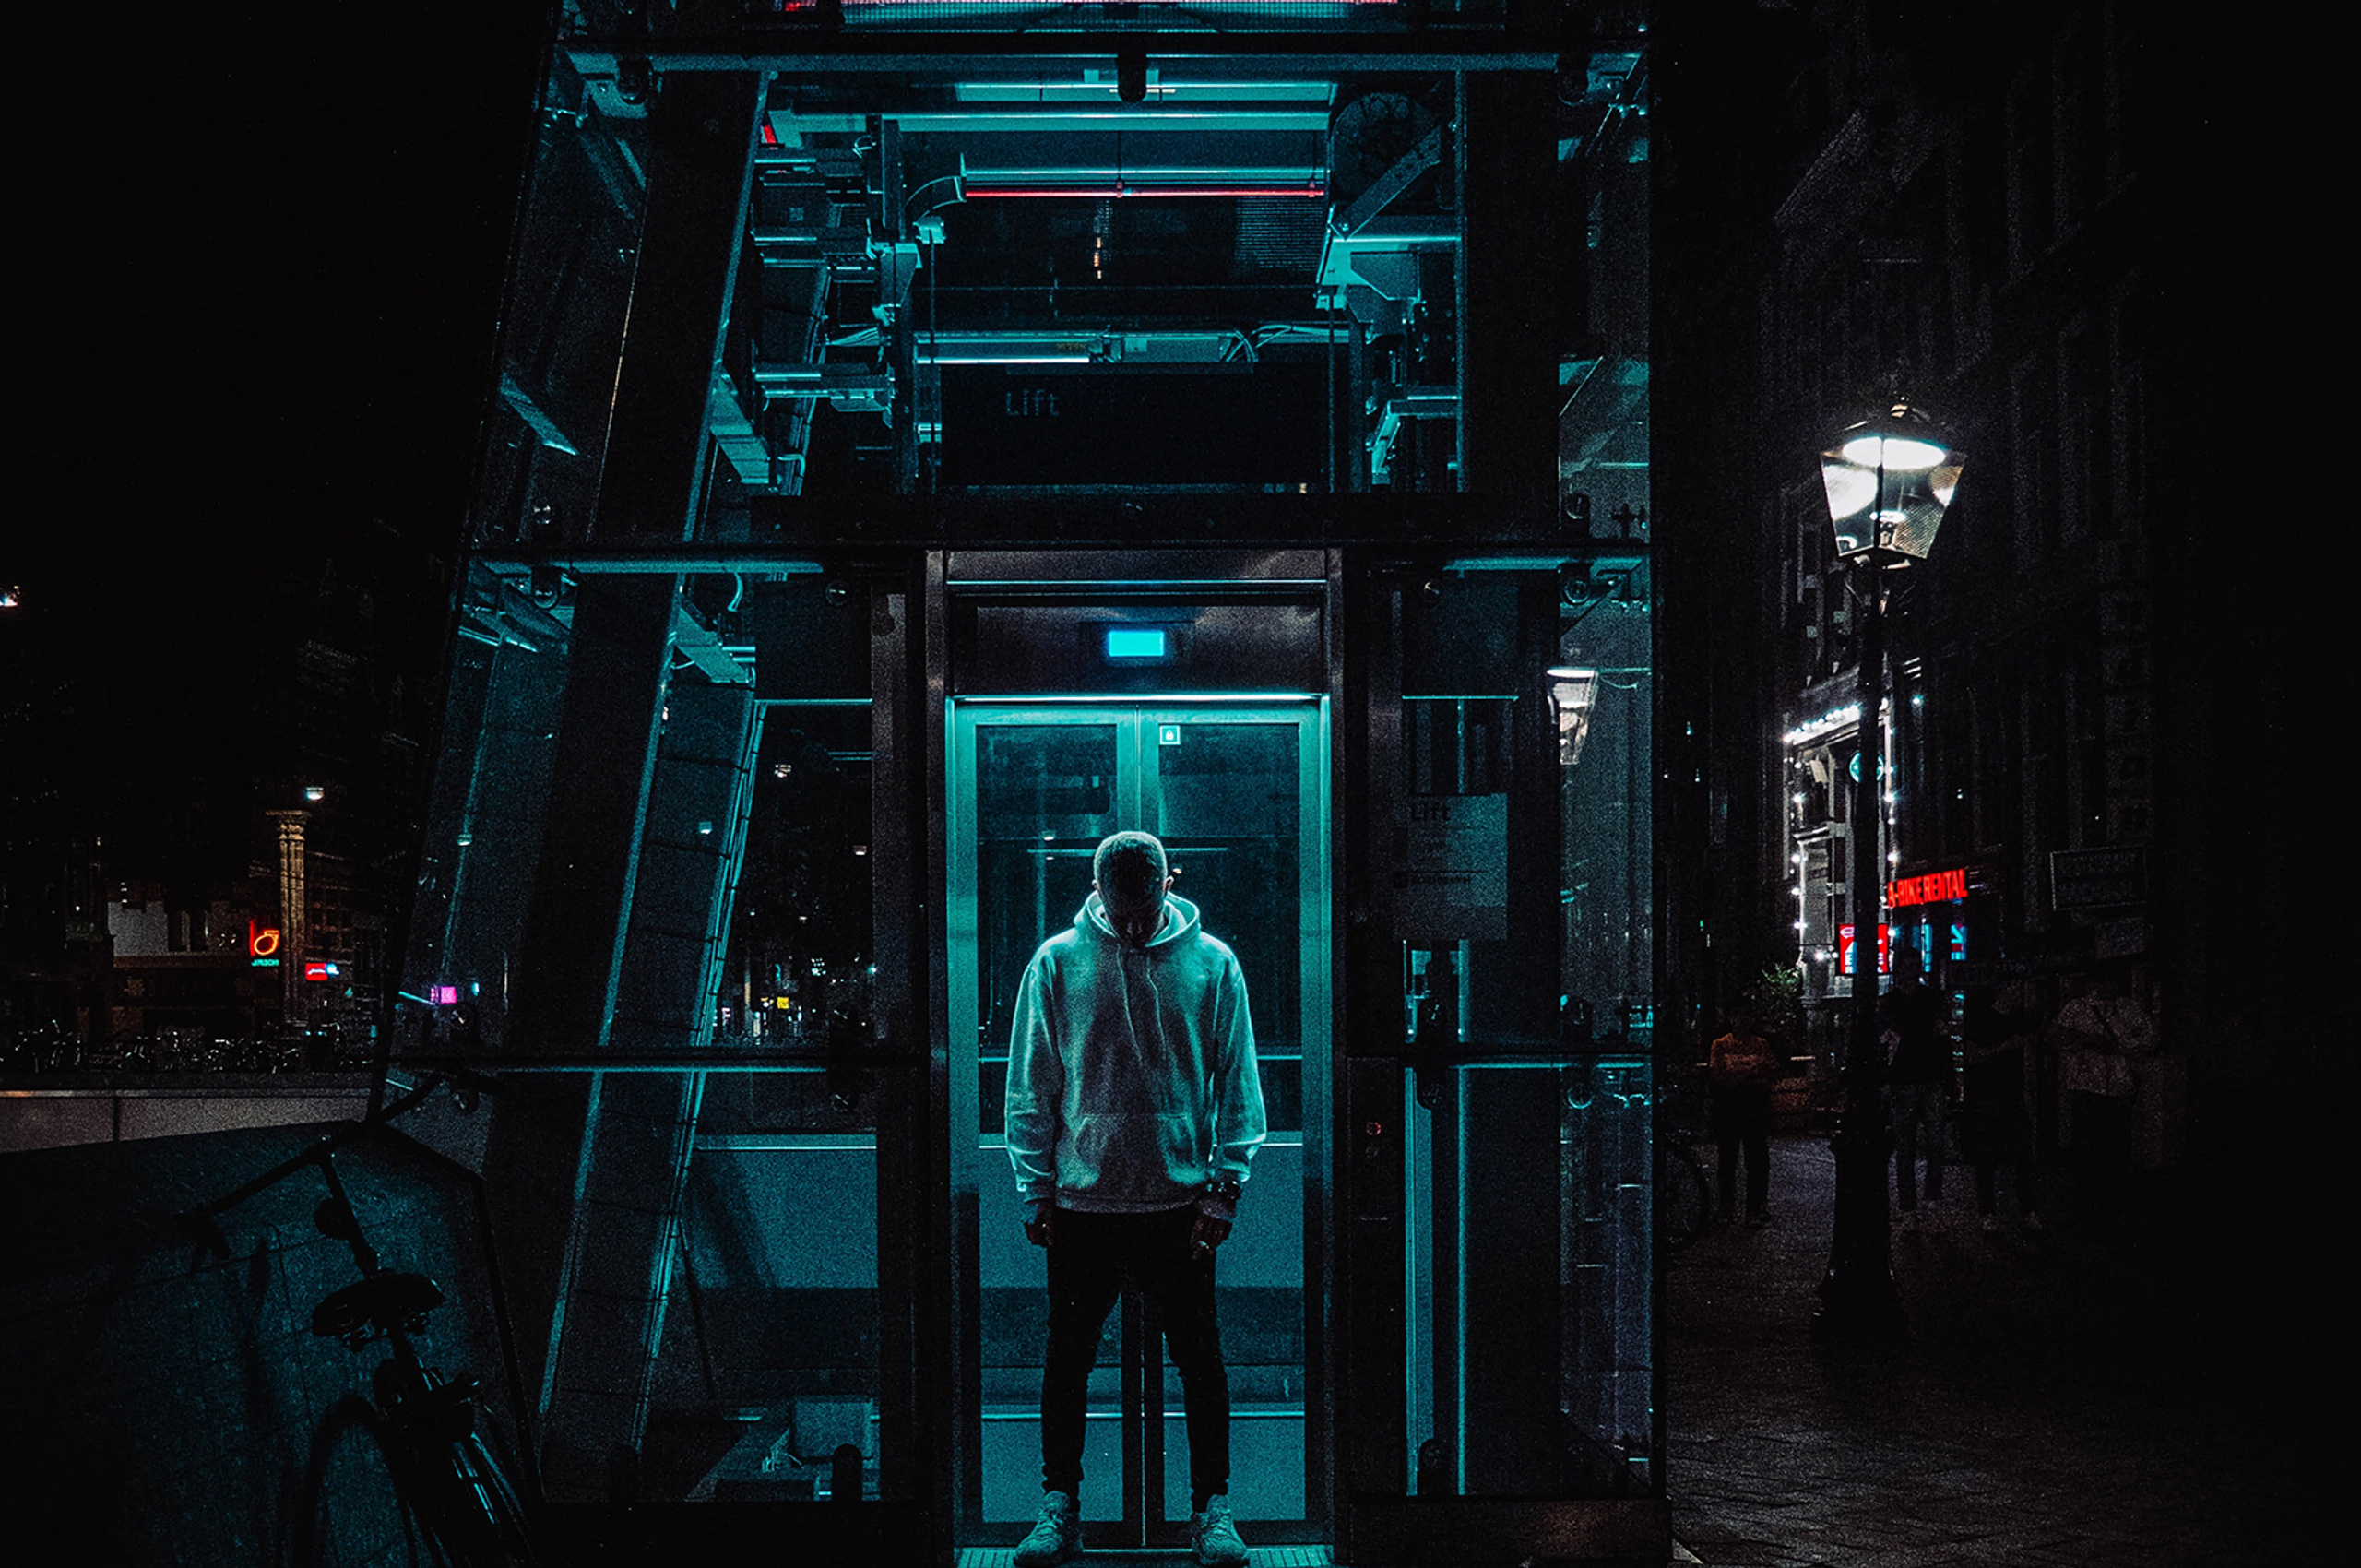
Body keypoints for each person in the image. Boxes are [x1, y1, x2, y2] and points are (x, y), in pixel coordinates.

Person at [1005, 830, 1266, 1568]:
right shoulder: (1060, 962)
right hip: (1099, 1201)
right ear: (1102, 895)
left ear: (1162, 891)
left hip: (1164, 1200)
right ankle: (1070, 1506)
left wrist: (1224, 1186)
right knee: (1080, 1361)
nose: (1129, 926)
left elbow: (1237, 1084)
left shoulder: (1210, 965)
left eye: (1140, 911)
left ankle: (1205, 1510)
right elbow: (1033, 1086)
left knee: (1188, 1360)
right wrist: (1037, 1188)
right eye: (1120, 912)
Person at [1958, 983, 2041, 1231]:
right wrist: (2006, 1047)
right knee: (1989, 1157)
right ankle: (1991, 1211)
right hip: (1988, 1096)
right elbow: (1972, 1055)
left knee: (2020, 1157)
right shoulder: (1982, 1019)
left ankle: (2025, 1210)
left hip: (2011, 1095)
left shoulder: (2019, 1017)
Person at [1881, 947, 1954, 1229]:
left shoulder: (1892, 1003)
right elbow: (1940, 1036)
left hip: (1916, 1077)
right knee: (1918, 1145)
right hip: (1917, 1077)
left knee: (1915, 1145)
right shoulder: (1926, 1000)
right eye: (1907, 967)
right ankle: (1920, 1204)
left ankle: (1915, 1205)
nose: (1911, 973)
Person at [1708, 1010, 1778, 1226]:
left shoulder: (1760, 1044)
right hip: (1732, 1108)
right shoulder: (1720, 1044)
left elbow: (1769, 1071)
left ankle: (1754, 1208)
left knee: (1755, 1159)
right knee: (1728, 1160)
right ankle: (1728, 1208)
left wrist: (1738, 1076)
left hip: (1752, 1109)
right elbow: (1719, 1074)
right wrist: (1751, 1075)